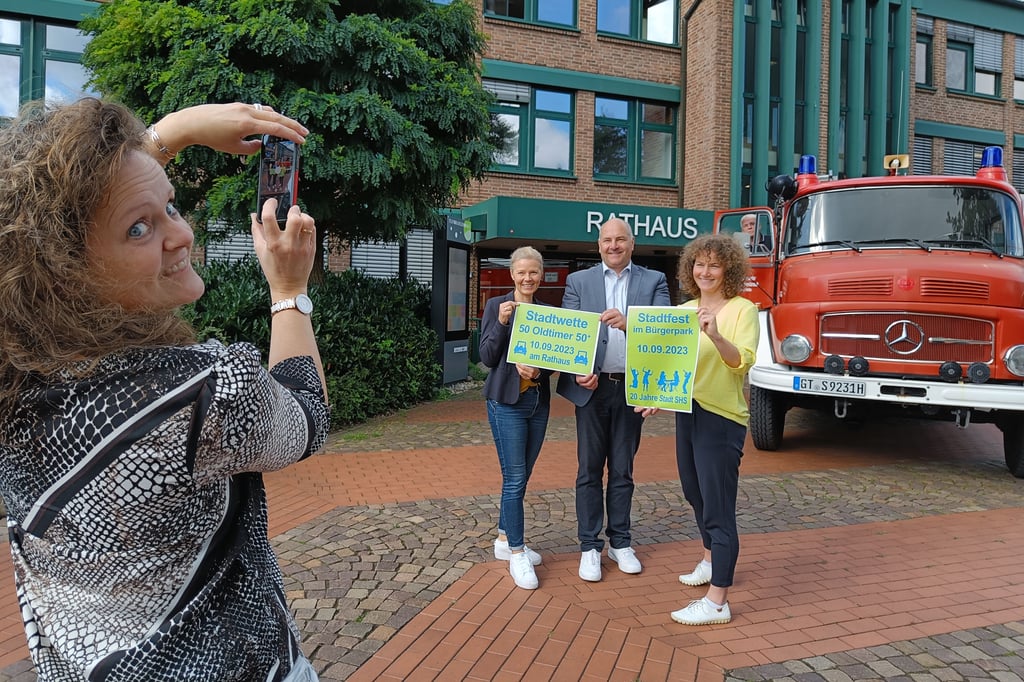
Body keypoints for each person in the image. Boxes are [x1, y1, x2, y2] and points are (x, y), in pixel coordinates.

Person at [0, 98, 330, 680]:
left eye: (172, 205)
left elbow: (84, 209)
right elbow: (304, 416)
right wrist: (289, 289)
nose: (182, 233)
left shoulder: (18, 371)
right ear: (65, 272)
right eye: (140, 228)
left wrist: (174, 132)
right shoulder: (194, 394)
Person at [556, 217, 670, 582]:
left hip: (631, 387)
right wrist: (577, 369)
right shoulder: (578, 282)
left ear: (632, 244)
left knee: (622, 469)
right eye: (607, 240)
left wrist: (632, 324)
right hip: (592, 388)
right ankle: (590, 546)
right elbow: (569, 336)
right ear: (599, 244)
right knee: (588, 470)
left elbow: (666, 334)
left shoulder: (655, 281)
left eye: (621, 240)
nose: (614, 246)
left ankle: (620, 541)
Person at [666, 233, 758, 625]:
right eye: (699, 264)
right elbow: (672, 364)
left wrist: (716, 335)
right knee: (693, 490)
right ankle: (708, 557)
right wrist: (657, 395)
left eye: (714, 265)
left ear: (729, 270)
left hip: (721, 417)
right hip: (687, 411)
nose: (705, 271)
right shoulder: (684, 309)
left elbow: (742, 363)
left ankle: (718, 601)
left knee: (719, 507)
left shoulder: (743, 310)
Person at [479, 247, 553, 591]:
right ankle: (517, 551)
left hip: (537, 402)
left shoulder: (548, 312)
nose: (527, 278)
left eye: (533, 273)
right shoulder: (497, 306)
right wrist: (502, 322)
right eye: (522, 273)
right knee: (514, 477)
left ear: (541, 275)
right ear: (512, 275)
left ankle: (503, 538)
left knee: (524, 473)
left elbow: (557, 359)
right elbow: (487, 356)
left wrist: (539, 371)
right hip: (505, 402)